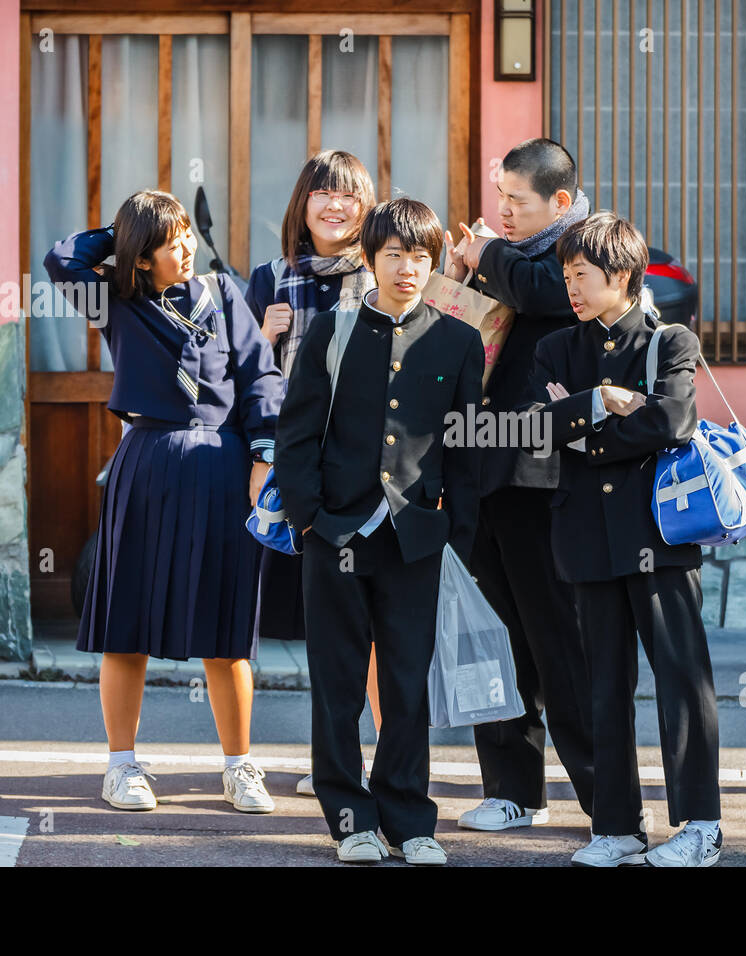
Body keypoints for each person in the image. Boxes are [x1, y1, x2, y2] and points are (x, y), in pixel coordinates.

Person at [44, 189, 282, 815]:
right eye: (169, 241)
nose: (186, 247)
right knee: (128, 622)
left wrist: (263, 456)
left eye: (186, 235)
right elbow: (60, 259)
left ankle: (239, 766)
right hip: (146, 459)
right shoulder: (116, 302)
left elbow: (259, 375)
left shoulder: (224, 294)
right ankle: (121, 766)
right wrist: (124, 232)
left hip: (224, 462)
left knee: (227, 628)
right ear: (140, 256)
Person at [274, 198, 484, 865]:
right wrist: (311, 521)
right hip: (335, 534)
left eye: (421, 255)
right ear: (368, 260)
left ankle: (410, 819)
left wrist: (456, 530)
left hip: (415, 538)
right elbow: (297, 435)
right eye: (393, 254)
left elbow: (468, 446)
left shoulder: (458, 339)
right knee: (337, 686)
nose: (408, 267)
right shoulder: (331, 333)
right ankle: (349, 820)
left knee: (405, 685)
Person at [515, 211, 724, 867]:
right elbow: (532, 430)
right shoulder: (555, 348)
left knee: (680, 679)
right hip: (584, 536)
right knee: (601, 683)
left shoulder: (672, 341)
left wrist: (582, 420)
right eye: (567, 275)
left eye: (581, 275)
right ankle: (617, 824)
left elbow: (675, 421)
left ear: (624, 275)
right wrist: (605, 401)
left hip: (658, 535)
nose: (570, 288)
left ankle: (699, 825)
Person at [442, 138, 596, 832]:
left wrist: (485, 257)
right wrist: (458, 273)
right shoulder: (500, 259)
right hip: (481, 472)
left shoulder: (585, 249)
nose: (502, 212)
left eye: (517, 201)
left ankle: (605, 801)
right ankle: (510, 788)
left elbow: (543, 295)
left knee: (557, 640)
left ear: (559, 203)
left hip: (544, 479)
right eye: (498, 198)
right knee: (493, 640)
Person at [244, 149, 381, 796]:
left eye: (349, 194)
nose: (335, 205)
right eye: (322, 193)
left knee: (375, 626)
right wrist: (265, 339)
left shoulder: (386, 275)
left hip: (370, 474)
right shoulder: (271, 279)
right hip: (302, 474)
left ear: (368, 206)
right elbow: (242, 383)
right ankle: (338, 759)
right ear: (302, 203)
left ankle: (388, 757)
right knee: (326, 626)